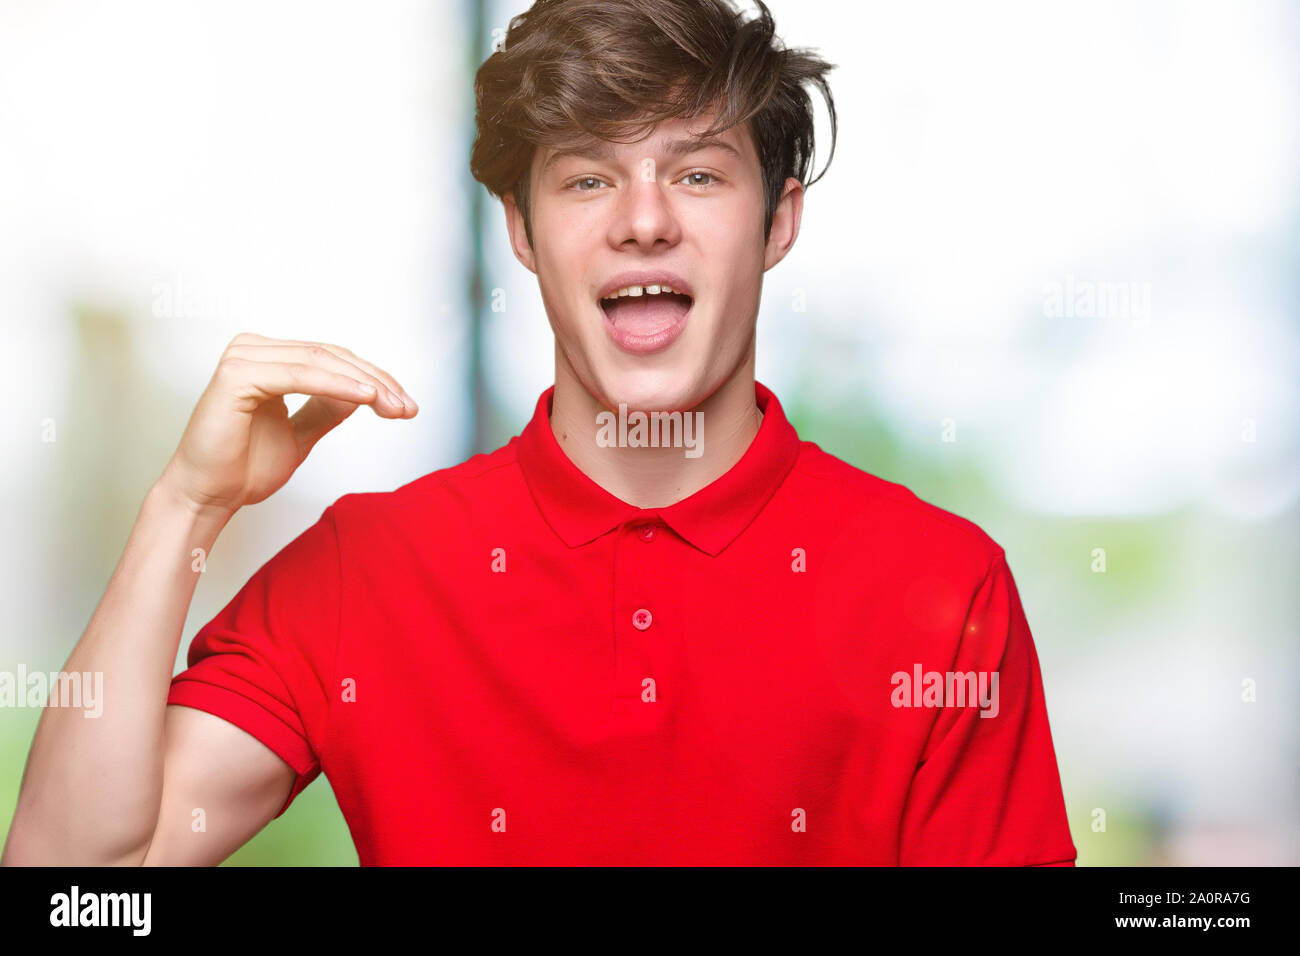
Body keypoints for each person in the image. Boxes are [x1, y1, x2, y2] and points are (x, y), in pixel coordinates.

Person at [2, 0, 1076, 865]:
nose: (643, 217)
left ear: (778, 221)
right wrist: (183, 507)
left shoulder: (941, 588)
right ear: (519, 229)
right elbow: (80, 880)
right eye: (587, 178)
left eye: (697, 173)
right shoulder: (365, 570)